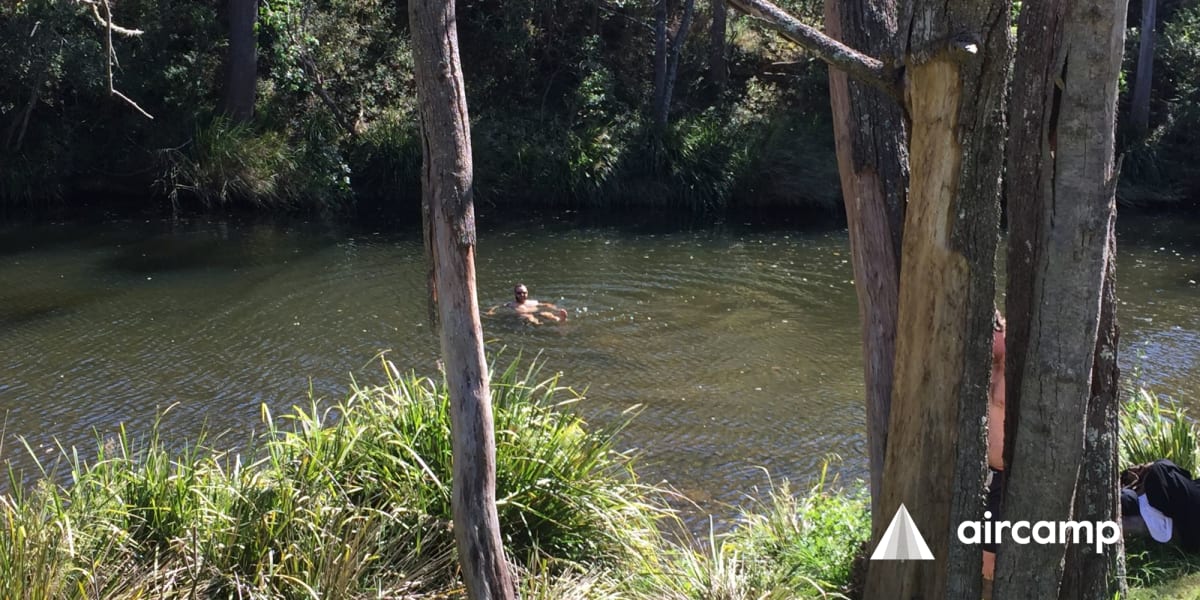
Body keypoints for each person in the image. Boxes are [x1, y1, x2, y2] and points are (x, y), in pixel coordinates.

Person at [1121, 459, 1200, 551]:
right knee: (1127, 497)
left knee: (1160, 467)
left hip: (1187, 522)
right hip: (1171, 507)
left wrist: (1147, 469)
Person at [983, 309, 1006, 584]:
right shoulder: (980, 364)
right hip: (981, 472)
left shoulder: (1012, 364)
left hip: (1004, 475)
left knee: (991, 559)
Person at [487, 283, 568, 325]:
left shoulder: (533, 302)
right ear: (515, 294)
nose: (522, 295)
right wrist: (491, 311)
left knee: (545, 313)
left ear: (527, 293)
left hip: (536, 312)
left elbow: (545, 304)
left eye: (524, 293)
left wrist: (556, 309)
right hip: (524, 315)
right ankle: (537, 323)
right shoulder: (511, 304)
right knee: (528, 316)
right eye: (519, 293)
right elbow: (498, 306)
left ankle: (559, 319)